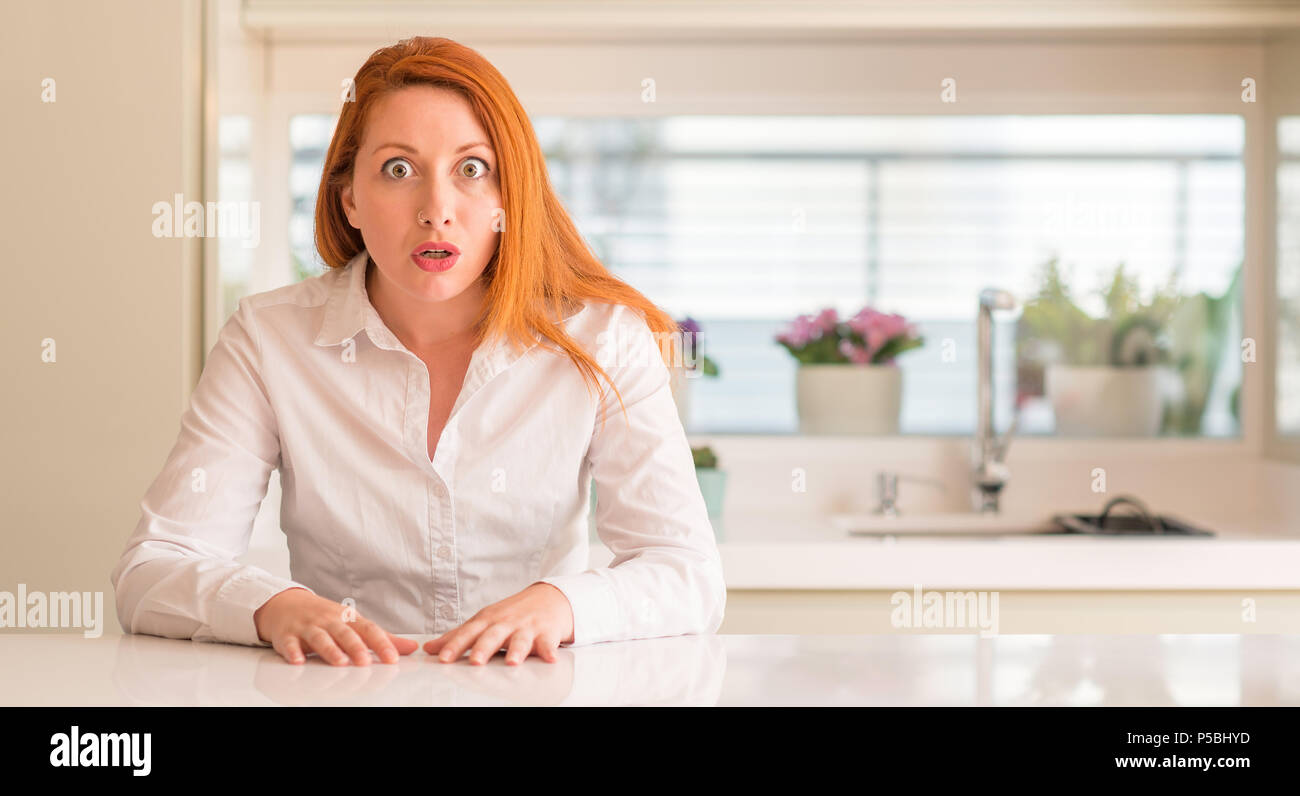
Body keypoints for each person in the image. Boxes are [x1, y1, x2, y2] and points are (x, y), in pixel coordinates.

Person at [110, 36, 725, 667]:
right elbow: (153, 569)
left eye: (472, 169)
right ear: (348, 197)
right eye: (398, 170)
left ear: (508, 198)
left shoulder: (602, 340)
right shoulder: (268, 339)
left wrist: (558, 605)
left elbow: (687, 573)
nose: (437, 211)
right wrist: (273, 608)